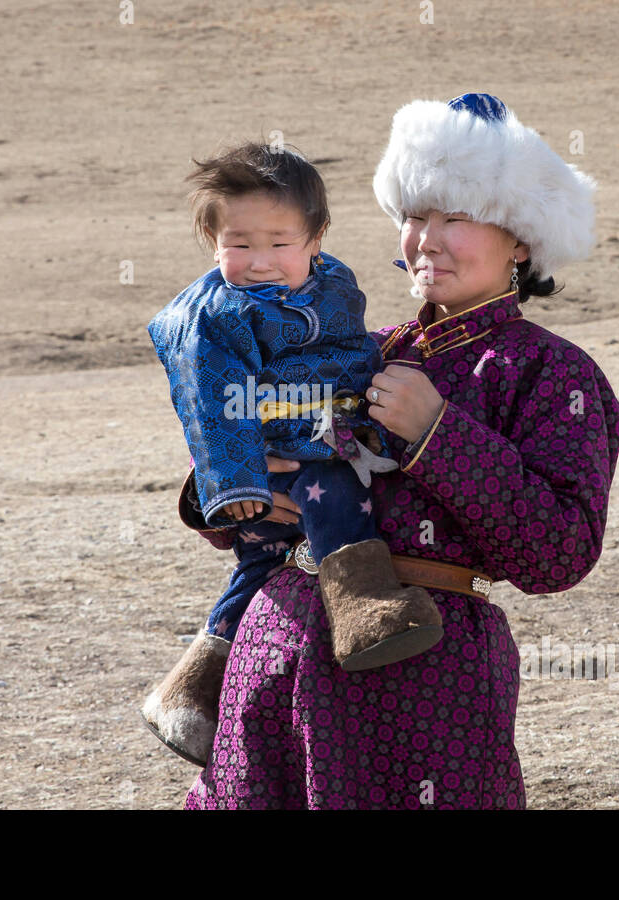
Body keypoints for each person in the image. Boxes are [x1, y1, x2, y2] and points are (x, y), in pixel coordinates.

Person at [173, 93, 619, 808]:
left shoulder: (551, 373)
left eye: (457, 218)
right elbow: (231, 487)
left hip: (425, 678)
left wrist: (436, 433)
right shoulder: (356, 345)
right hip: (274, 651)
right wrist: (229, 487)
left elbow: (558, 554)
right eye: (417, 216)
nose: (429, 240)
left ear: (521, 240)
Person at [141, 143, 444, 767]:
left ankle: (187, 697)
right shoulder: (213, 317)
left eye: (279, 242)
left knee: (261, 568)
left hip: (328, 430)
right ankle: (364, 609)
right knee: (334, 500)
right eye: (239, 244)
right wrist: (234, 484)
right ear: (212, 242)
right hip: (279, 452)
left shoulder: (333, 283)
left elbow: (353, 351)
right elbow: (208, 402)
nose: (259, 262)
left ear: (316, 237)